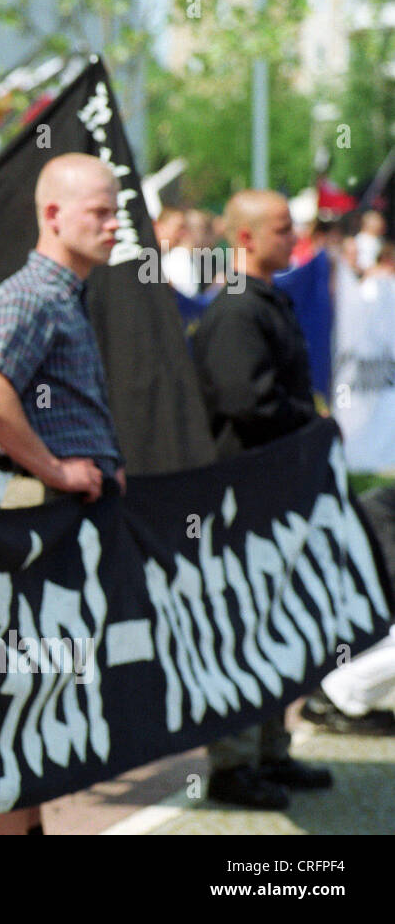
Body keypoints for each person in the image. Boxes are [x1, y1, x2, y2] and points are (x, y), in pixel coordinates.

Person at [0, 152, 126, 834]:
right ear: (53, 215)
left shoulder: (61, 294)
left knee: (36, 696)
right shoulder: (31, 294)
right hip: (33, 513)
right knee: (19, 697)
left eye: (116, 211)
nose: (116, 226)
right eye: (101, 212)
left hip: (49, 515)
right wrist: (59, 471)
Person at [190, 188, 333, 809]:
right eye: (280, 228)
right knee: (240, 630)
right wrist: (312, 420)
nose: (292, 237)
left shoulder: (266, 300)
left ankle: (271, 750)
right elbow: (247, 402)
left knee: (279, 622)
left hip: (275, 494)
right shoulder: (236, 312)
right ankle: (232, 765)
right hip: (241, 496)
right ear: (244, 237)